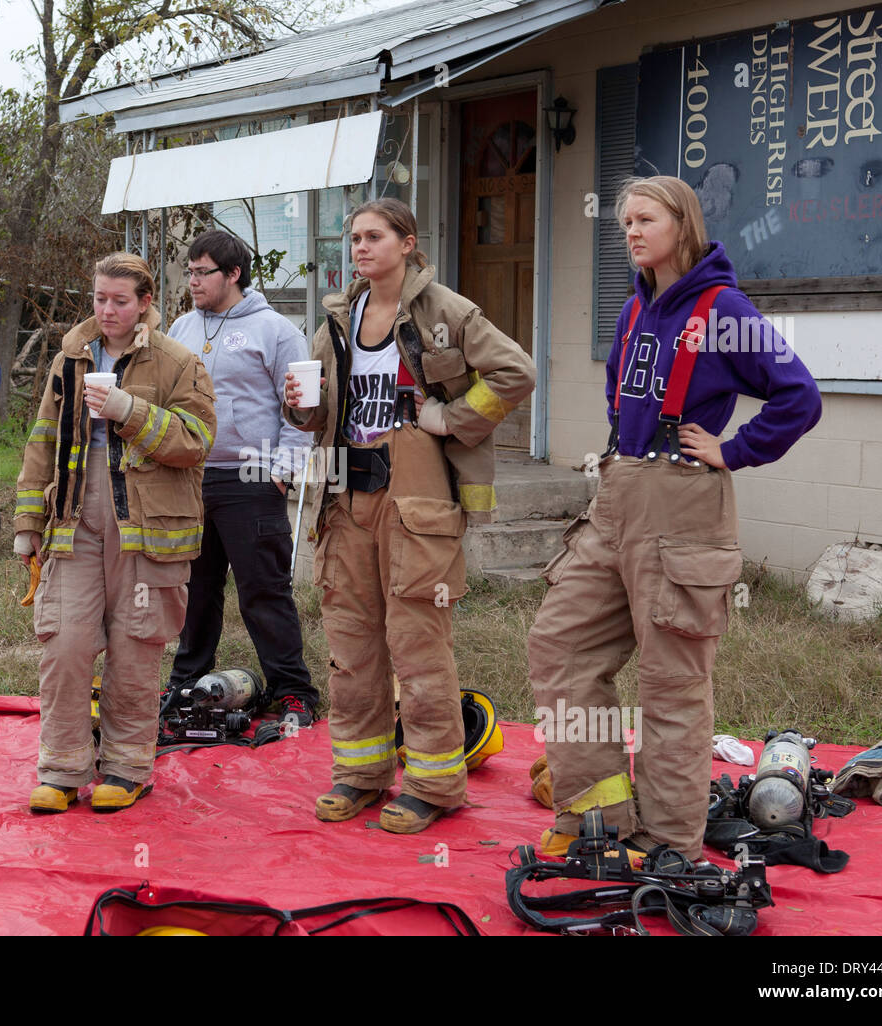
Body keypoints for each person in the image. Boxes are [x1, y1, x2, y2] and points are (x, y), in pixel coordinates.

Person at [526, 175, 821, 860]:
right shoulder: (635, 308)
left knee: (671, 683)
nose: (630, 231)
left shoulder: (723, 309)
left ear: (682, 225)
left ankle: (668, 843)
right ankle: (598, 816)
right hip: (619, 493)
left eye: (645, 219)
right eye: (625, 221)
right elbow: (615, 390)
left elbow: (798, 397)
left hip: (684, 501)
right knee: (560, 645)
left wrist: (734, 450)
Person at [284, 198, 535, 833]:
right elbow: (320, 414)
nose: (360, 248)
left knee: (418, 645)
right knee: (351, 643)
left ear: (408, 244)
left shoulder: (446, 312)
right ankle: (361, 774)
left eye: (374, 237)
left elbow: (515, 371)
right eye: (354, 239)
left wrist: (452, 419)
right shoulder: (340, 319)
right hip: (346, 498)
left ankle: (433, 784)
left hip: (417, 498)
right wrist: (299, 407)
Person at [15, 252, 215, 815]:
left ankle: (128, 768)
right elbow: (42, 443)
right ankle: (61, 768)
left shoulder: (179, 361)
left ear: (145, 304)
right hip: (76, 520)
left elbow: (197, 441)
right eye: (100, 298)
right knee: (67, 642)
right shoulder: (69, 360)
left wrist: (128, 410)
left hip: (147, 528)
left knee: (133, 647)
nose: (107, 310)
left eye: (119, 301)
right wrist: (28, 525)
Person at [165, 229, 319, 727]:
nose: (192, 280)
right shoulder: (182, 327)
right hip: (190, 477)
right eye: (189, 271)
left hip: (253, 477)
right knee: (194, 586)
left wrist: (284, 473)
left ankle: (293, 691)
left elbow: (302, 410)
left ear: (233, 274)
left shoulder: (276, 331)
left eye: (202, 271)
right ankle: (187, 683)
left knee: (263, 589)